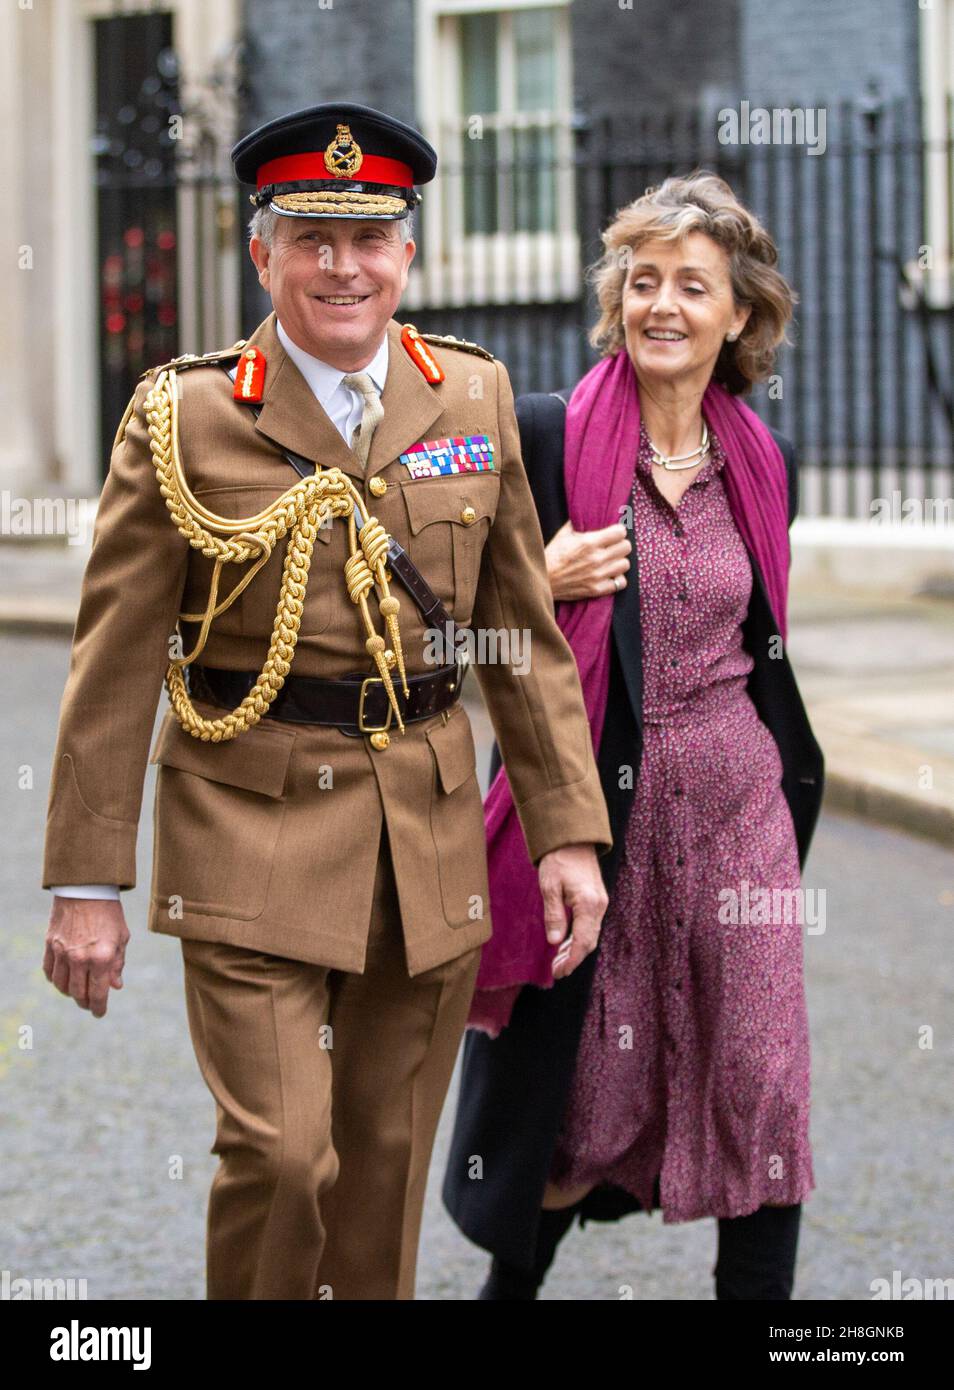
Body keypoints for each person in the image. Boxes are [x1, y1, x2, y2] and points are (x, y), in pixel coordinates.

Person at [40, 102, 612, 1300]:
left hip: (423, 835)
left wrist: (565, 832)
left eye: (370, 238)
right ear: (263, 255)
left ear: (411, 253)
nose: (341, 267)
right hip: (249, 830)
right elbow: (114, 656)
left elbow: (522, 639)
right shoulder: (186, 414)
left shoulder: (471, 398)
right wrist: (87, 884)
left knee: (383, 1166)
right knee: (284, 1153)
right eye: (309, 236)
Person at [442, 171, 826, 1300]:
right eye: (642, 279)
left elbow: (762, 646)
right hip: (591, 817)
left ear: (739, 315)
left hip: (736, 814)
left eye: (692, 286)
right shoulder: (546, 437)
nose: (663, 304)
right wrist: (534, 578)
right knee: (570, 1101)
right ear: (618, 298)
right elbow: (418, 619)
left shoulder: (765, 465)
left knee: (761, 1080)